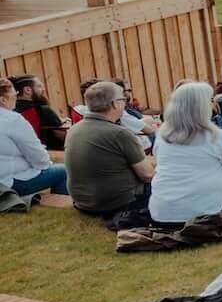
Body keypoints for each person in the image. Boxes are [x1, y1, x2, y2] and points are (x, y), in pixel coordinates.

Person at [145, 82, 222, 222]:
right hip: (206, 211)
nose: (213, 104)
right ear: (201, 106)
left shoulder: (162, 135)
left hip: (162, 212)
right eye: (210, 100)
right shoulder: (219, 137)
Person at [63, 80, 154, 217]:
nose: (125, 102)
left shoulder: (74, 129)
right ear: (114, 104)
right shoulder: (120, 133)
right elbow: (147, 175)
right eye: (123, 99)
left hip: (83, 203)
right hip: (116, 204)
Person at [0, 77, 68, 198]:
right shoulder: (13, 119)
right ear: (3, 100)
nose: (16, 96)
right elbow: (38, 157)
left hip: (6, 176)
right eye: (14, 94)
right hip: (9, 182)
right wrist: (46, 165)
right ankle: (61, 206)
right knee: (64, 171)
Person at [8, 76, 68, 150]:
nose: (43, 89)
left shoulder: (9, 112)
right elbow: (62, 136)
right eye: (39, 86)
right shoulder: (43, 111)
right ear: (27, 90)